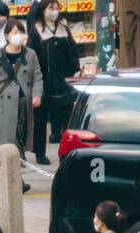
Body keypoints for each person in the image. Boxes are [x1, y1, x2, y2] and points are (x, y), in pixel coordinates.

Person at [29, 0, 80, 165]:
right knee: (41, 121)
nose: (54, 11)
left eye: (57, 8)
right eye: (51, 8)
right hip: (43, 82)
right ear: (43, 10)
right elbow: (31, 56)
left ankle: (68, 152)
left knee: (68, 120)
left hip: (63, 81)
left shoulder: (64, 29)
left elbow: (73, 51)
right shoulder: (36, 31)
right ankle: (39, 153)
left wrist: (76, 69)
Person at [0, 19, 43, 172]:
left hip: (24, 101)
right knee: (7, 137)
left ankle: (18, 165)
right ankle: (12, 168)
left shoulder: (30, 54)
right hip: (4, 102)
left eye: (21, 32)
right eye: (15, 32)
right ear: (7, 35)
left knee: (20, 134)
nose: (18, 35)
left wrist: (37, 95)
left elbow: (37, 77)